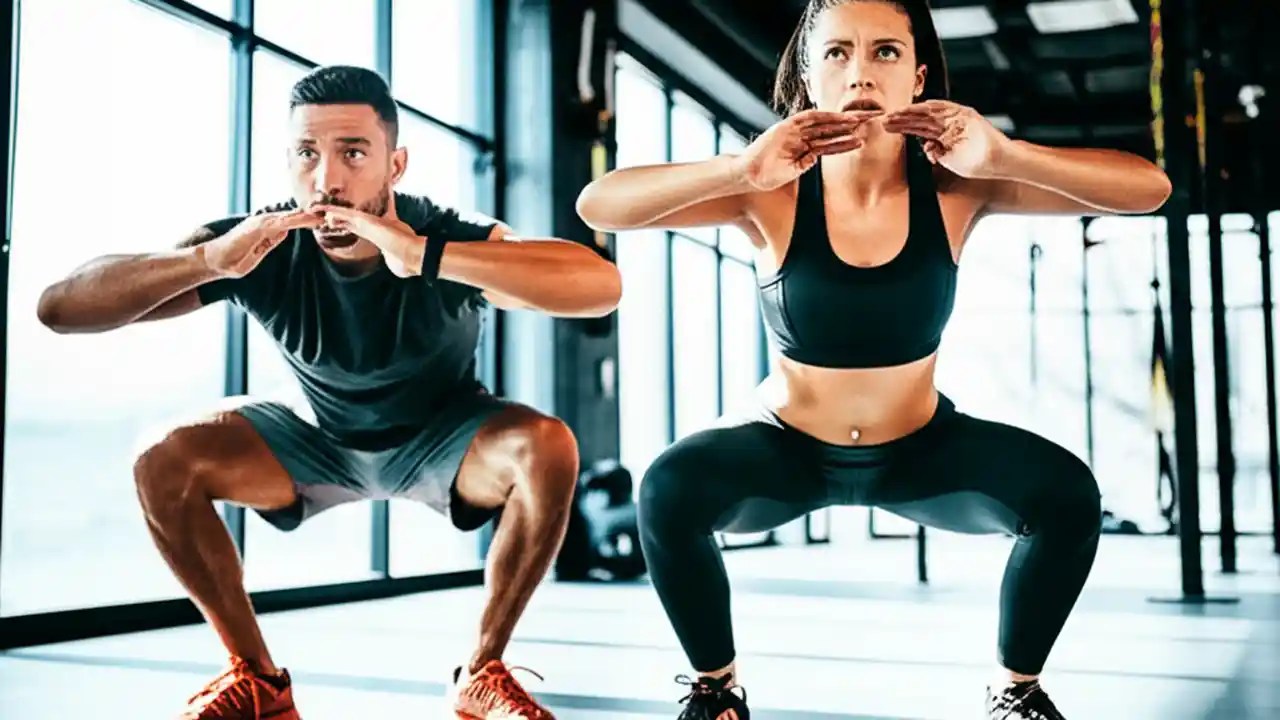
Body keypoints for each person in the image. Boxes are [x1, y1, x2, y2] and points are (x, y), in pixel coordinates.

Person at [577, 1, 1171, 718]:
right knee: (669, 488)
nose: (861, 71)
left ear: (917, 76)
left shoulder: (957, 188)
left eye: (885, 52)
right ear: (807, 75)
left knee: (1068, 496)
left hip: (923, 453)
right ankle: (717, 692)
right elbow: (599, 206)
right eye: (836, 53)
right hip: (786, 454)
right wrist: (739, 165)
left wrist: (1006, 154)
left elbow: (1150, 189)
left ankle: (1017, 693)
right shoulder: (768, 192)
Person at [37, 65, 621, 720]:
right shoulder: (255, 243)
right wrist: (207, 263)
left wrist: (423, 256)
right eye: (307, 155)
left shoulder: (444, 231)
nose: (327, 180)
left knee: (549, 446)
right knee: (161, 456)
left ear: (394, 164)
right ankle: (258, 679)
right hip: (315, 439)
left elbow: (599, 286)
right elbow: (60, 307)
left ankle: (481, 672)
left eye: (352, 153)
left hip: (446, 438)